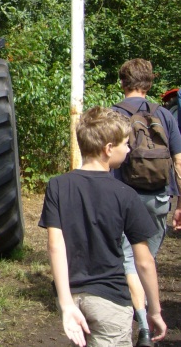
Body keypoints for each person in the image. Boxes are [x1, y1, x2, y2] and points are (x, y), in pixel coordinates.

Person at [39, 106, 167, 346]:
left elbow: (56, 247)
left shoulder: (57, 186)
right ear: (108, 149)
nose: (128, 150)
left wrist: (66, 304)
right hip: (111, 302)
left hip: (72, 298)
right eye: (125, 144)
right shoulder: (125, 195)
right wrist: (155, 311)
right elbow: (144, 261)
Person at [112, 59, 181, 346]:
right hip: (159, 197)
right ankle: (149, 313)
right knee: (146, 259)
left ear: (122, 82)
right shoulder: (164, 115)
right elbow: (178, 160)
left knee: (129, 259)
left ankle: (141, 321)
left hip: (124, 197)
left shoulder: (113, 114)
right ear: (149, 83)